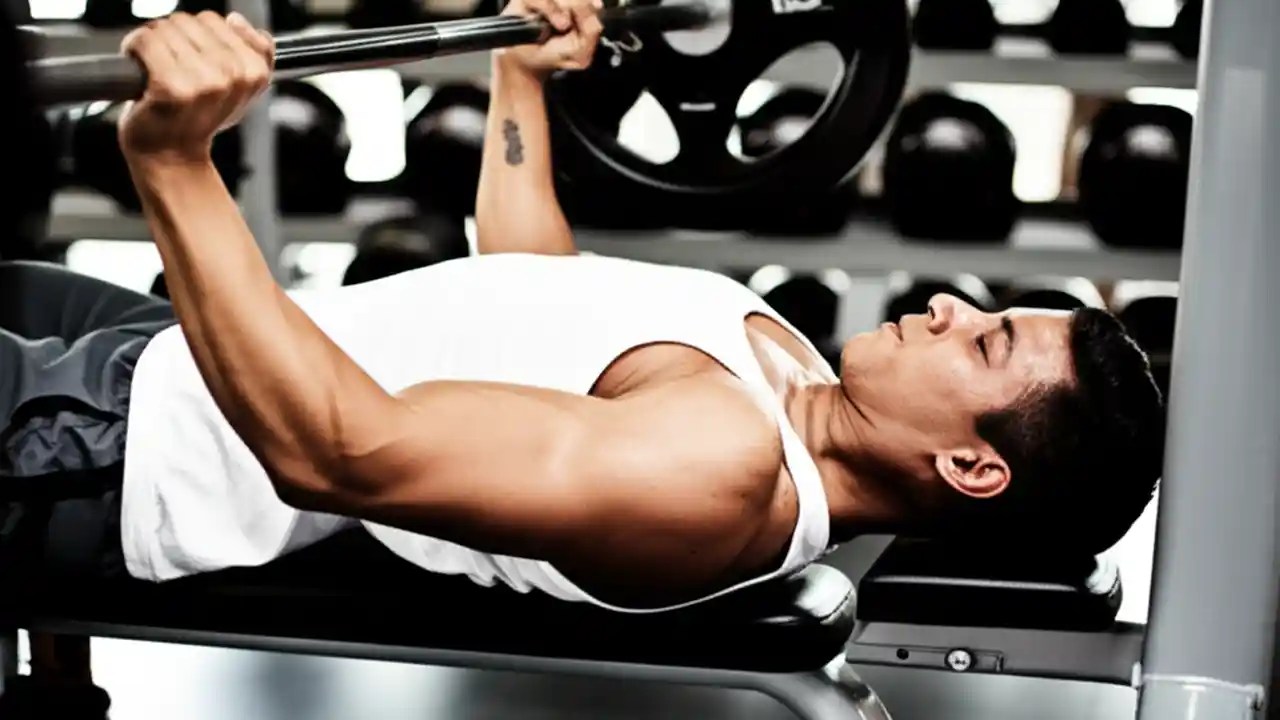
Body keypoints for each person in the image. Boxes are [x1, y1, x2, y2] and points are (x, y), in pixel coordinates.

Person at [0, 0, 1165, 713]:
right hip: (160, 359)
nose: (954, 307)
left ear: (970, 470)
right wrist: (518, 83)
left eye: (987, 340)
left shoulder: (712, 473)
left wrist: (170, 158)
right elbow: (540, 291)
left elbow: (333, 451)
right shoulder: (793, 380)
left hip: (116, 447)